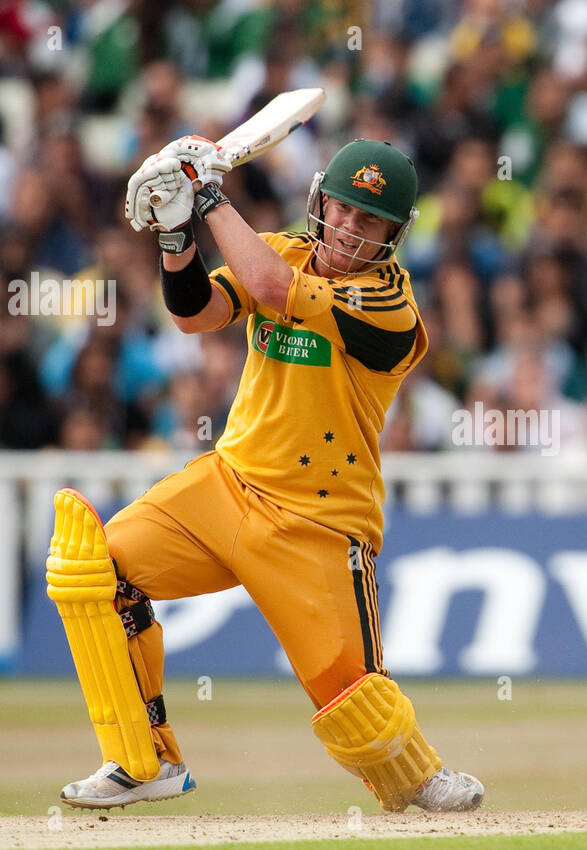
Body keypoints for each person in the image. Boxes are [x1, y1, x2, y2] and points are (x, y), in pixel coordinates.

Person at [47, 136, 484, 813]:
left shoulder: (391, 305)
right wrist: (174, 233)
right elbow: (197, 313)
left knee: (356, 704)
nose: (347, 228)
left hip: (319, 521)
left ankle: (418, 775)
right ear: (320, 201)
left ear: (395, 235)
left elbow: (277, 291)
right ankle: (144, 758)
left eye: (368, 221)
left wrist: (211, 195)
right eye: (341, 209)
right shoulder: (279, 248)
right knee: (95, 571)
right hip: (226, 485)